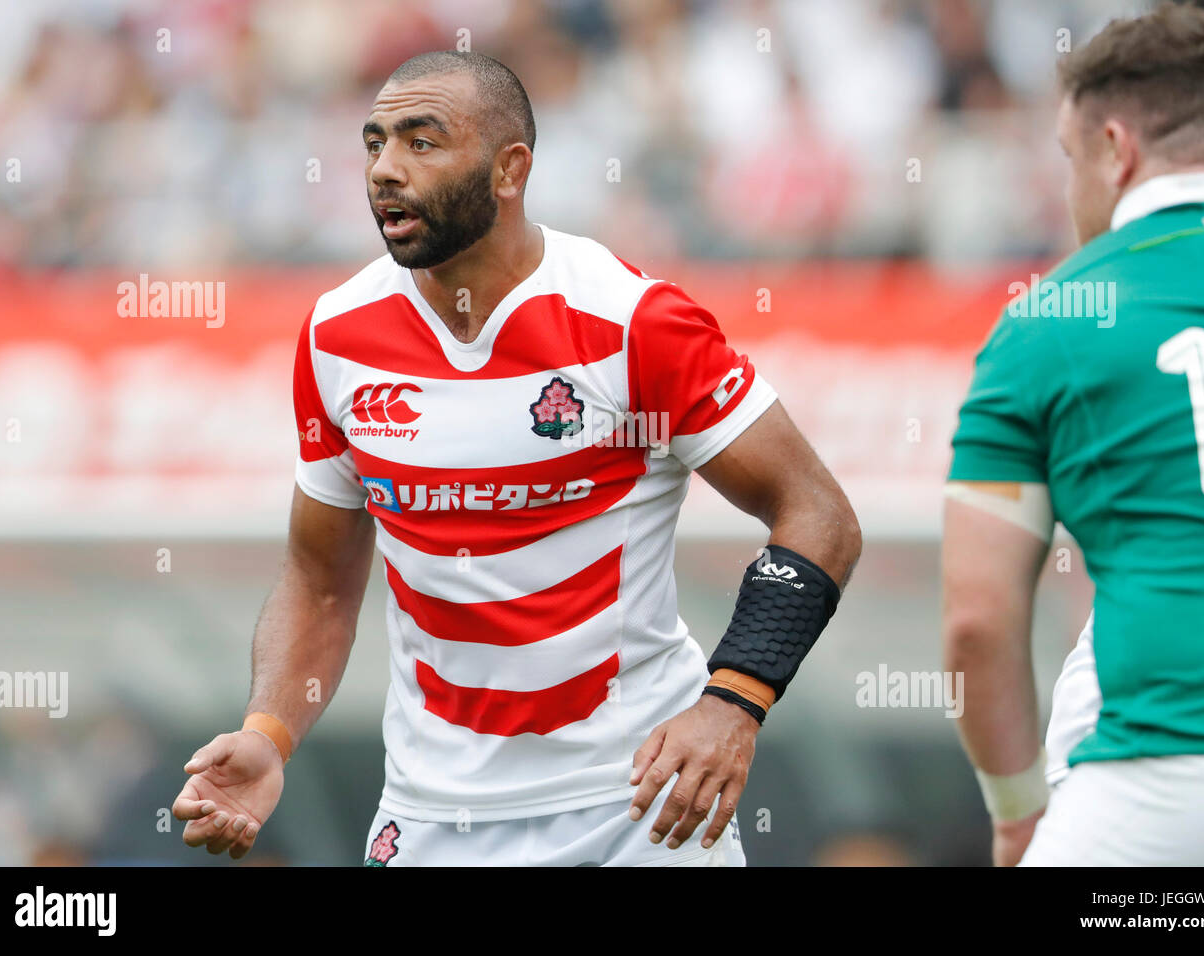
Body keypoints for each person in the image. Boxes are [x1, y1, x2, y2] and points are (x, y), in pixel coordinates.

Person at [170, 50, 860, 866]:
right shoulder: (336, 334)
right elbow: (319, 583)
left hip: (639, 808)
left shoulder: (633, 322)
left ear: (510, 169)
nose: (385, 170)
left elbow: (818, 515)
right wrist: (269, 732)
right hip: (432, 818)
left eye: (422, 143)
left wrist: (733, 702)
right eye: (374, 143)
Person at [943, 2, 1204, 866]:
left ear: (1116, 151)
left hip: (1161, 787)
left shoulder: (1047, 321)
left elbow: (977, 618)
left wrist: (1017, 814)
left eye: (1069, 158)